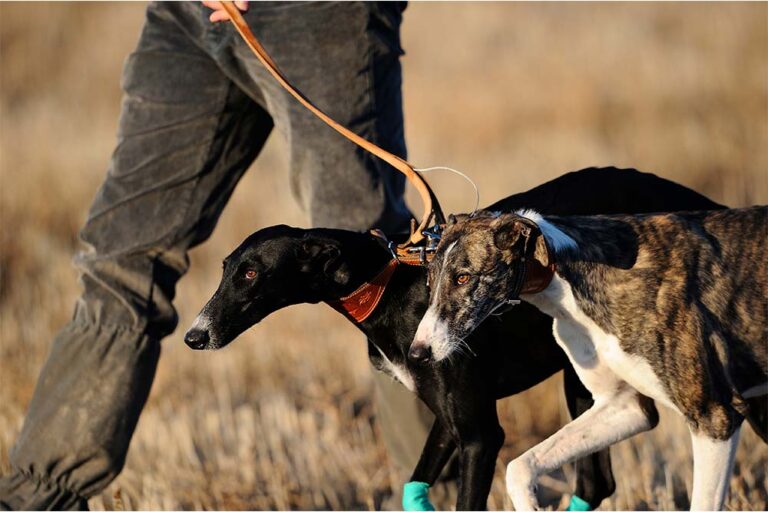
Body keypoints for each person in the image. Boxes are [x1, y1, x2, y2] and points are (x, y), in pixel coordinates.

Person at [0, 2, 438, 509]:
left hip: (319, 16)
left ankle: (438, 496)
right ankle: (35, 500)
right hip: (184, 15)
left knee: (374, 265)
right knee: (119, 258)